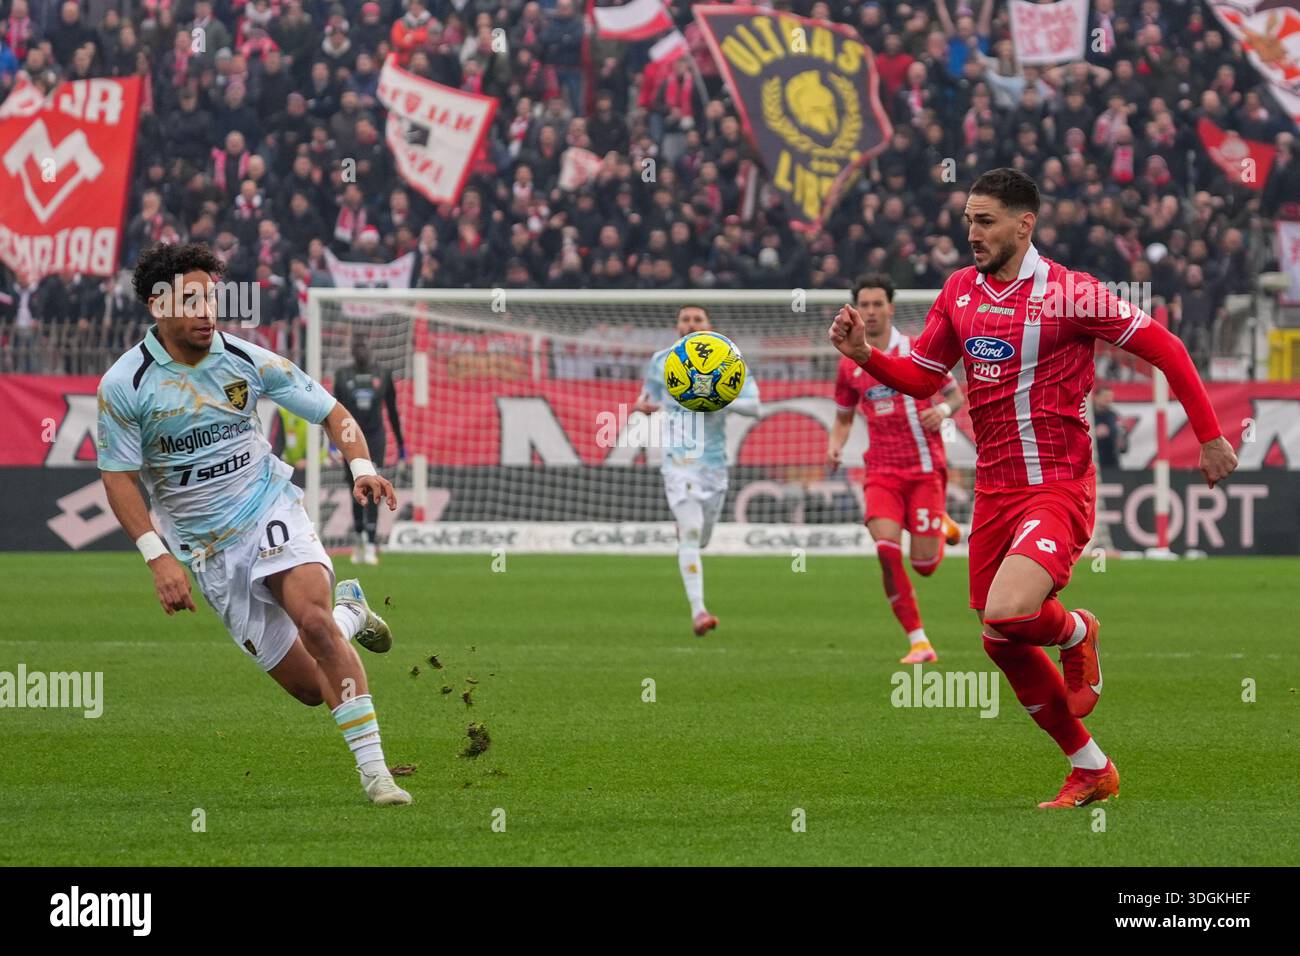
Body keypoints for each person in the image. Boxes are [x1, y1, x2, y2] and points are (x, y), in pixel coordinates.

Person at [829, 169, 1237, 808]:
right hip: (994, 492)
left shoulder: (1073, 294)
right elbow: (922, 377)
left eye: (985, 221)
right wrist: (865, 354)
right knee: (1000, 639)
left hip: (1057, 484)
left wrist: (1209, 436)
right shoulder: (959, 292)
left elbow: (1168, 348)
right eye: (968, 220)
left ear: (1026, 224)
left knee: (1013, 612)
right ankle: (1091, 767)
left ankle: (1077, 631)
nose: (972, 233)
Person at [96, 242, 411, 806]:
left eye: (210, 298)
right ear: (156, 306)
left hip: (269, 508)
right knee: (310, 689)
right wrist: (158, 555)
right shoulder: (126, 385)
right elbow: (118, 476)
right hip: (209, 550)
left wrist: (361, 465)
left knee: (312, 624)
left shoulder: (246, 360)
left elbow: (333, 412)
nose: (206, 311)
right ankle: (352, 612)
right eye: (190, 300)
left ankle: (377, 776)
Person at [827, 273, 965, 664]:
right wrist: (835, 446)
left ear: (890, 306)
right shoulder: (850, 364)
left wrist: (941, 410)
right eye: (864, 305)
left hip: (924, 469)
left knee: (924, 566)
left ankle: (940, 523)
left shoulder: (920, 349)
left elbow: (955, 395)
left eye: (877, 304)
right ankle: (919, 641)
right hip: (882, 472)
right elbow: (842, 418)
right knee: (887, 549)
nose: (870, 312)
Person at [634, 305, 760, 636]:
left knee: (701, 539)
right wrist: (643, 407)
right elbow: (645, 398)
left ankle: (690, 538)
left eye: (697, 320)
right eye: (685, 320)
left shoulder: (729, 358)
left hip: (715, 466)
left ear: (708, 326)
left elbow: (755, 407)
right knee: (690, 532)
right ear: (676, 326)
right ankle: (699, 611)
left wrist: (720, 397)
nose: (690, 324)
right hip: (679, 463)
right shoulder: (662, 361)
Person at [332, 333, 406, 565]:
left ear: (371, 348)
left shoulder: (382, 374)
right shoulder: (342, 375)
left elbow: (392, 411)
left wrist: (401, 444)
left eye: (364, 345)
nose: (361, 349)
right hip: (349, 437)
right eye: (357, 345)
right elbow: (333, 412)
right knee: (354, 489)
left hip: (374, 439)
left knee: (374, 486)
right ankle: (359, 539)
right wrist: (332, 444)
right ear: (352, 350)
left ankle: (372, 542)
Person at [1092, 386, 1126, 468]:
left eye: (1110, 397)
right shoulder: (1087, 415)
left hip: (1112, 463)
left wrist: (1121, 442)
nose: (1108, 399)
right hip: (1092, 462)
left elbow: (1123, 447)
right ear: (1096, 397)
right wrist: (1093, 433)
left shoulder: (1114, 416)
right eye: (1105, 396)